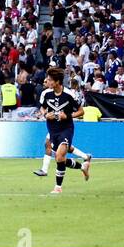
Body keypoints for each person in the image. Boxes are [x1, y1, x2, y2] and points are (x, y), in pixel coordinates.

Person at [40, 67, 85, 195]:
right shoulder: (46, 94)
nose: (47, 82)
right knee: (60, 159)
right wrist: (45, 114)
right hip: (52, 130)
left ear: (57, 82)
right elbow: (42, 108)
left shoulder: (69, 94)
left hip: (66, 129)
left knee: (59, 156)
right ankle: (83, 165)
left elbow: (81, 111)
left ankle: (58, 187)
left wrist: (68, 116)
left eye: (49, 80)